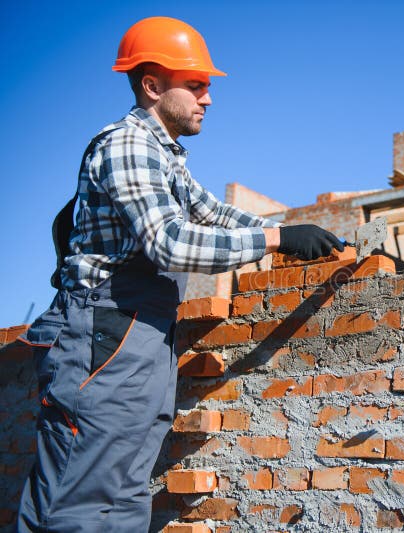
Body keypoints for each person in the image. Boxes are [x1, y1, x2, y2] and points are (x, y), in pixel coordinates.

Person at [16, 16, 343, 532]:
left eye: (206, 86)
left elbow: (212, 213)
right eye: (195, 84)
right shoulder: (126, 144)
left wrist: (292, 232)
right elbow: (168, 241)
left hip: (139, 332)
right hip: (106, 331)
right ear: (151, 85)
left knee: (124, 492)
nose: (207, 98)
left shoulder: (167, 156)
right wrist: (276, 240)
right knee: (81, 498)